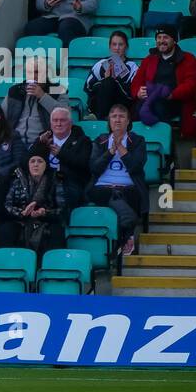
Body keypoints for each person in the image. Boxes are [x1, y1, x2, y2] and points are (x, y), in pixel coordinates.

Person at [86, 104, 147, 254]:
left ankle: (121, 239)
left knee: (126, 194)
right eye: (114, 116)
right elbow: (94, 167)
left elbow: (136, 167)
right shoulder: (100, 141)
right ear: (109, 121)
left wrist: (121, 149)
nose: (117, 120)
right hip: (102, 187)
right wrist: (111, 151)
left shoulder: (138, 141)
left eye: (121, 116)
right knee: (110, 193)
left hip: (129, 187)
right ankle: (128, 231)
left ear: (128, 121)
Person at [134, 23, 196, 138]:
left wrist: (172, 94)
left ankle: (164, 146)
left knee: (158, 106)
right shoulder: (149, 59)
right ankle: (145, 144)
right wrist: (138, 91)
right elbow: (137, 81)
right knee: (139, 107)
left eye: (165, 37)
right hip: (152, 98)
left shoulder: (188, 59)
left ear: (174, 40)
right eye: (159, 38)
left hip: (177, 101)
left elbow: (192, 84)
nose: (161, 41)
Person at [0, 145, 65, 253]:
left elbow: (62, 208)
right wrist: (22, 213)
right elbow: (7, 205)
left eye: (40, 161)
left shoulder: (54, 180)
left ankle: (52, 267)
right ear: (28, 165)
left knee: (56, 231)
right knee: (7, 229)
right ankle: (7, 266)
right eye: (32, 161)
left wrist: (45, 212)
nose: (35, 164)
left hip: (46, 220)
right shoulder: (18, 180)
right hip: (22, 220)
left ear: (45, 165)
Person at [41, 106, 92, 209]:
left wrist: (61, 153)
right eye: (55, 120)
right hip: (44, 181)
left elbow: (83, 164)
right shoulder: (43, 139)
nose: (58, 124)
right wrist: (39, 144)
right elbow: (26, 161)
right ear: (50, 124)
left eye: (62, 120)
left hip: (70, 183)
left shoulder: (83, 141)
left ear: (70, 123)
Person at [86, 30, 140, 119]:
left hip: (122, 103)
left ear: (126, 47)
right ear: (110, 47)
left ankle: (102, 118)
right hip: (100, 102)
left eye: (120, 44)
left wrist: (115, 81)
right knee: (107, 82)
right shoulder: (100, 64)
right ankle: (101, 117)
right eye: (114, 44)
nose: (117, 48)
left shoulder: (133, 67)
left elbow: (132, 93)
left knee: (110, 82)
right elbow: (88, 87)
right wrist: (105, 80)